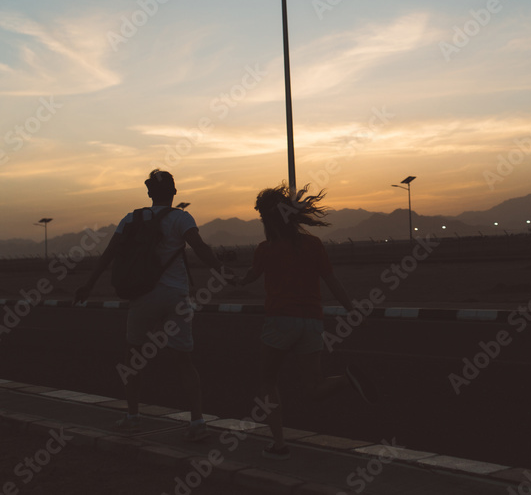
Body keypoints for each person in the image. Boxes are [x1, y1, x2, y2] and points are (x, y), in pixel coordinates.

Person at [74, 169, 226, 441]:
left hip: (142, 295)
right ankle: (197, 422)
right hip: (176, 296)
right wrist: (223, 271)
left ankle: (133, 417)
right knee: (184, 361)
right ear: (174, 192)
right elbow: (200, 248)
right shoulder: (181, 217)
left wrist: (88, 284)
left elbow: (109, 253)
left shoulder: (131, 218)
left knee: (132, 358)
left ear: (148, 193)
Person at [235, 183, 377, 460]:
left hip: (280, 322)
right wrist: (353, 311)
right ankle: (346, 380)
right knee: (313, 387)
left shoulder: (265, 249)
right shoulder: (313, 244)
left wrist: (236, 280)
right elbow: (331, 280)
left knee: (267, 380)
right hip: (312, 322)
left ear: (267, 219)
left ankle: (279, 444)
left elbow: (251, 276)